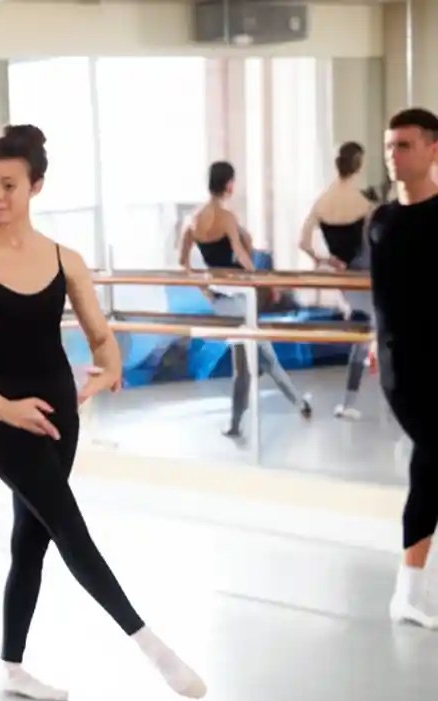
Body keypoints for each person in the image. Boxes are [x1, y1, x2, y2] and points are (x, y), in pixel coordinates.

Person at [0, 125, 206, 701]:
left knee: (29, 540)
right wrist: (6, 408)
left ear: (36, 187)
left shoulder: (65, 260)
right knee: (69, 527)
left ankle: (12, 666)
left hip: (61, 418)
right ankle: (151, 645)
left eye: (8, 184)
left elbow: (104, 340)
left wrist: (103, 374)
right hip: (3, 421)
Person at [366, 108, 438, 629]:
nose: (393, 155)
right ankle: (406, 591)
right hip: (403, 365)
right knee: (434, 454)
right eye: (390, 146)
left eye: (404, 145)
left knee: (429, 467)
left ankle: (408, 591)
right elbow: (381, 298)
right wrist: (375, 343)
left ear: (432, 149)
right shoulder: (381, 221)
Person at [179, 160, 311, 437]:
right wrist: (260, 280)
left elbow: (184, 263)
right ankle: (299, 404)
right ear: (229, 185)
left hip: (220, 298)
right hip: (238, 296)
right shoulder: (226, 218)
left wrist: (204, 286)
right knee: (264, 357)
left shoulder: (192, 220)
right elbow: (240, 255)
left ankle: (237, 424)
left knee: (246, 364)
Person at [297, 141, 376, 420]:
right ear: (359, 165)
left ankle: (349, 401)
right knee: (373, 335)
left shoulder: (322, 202)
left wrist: (326, 260)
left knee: (362, 337)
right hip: (366, 273)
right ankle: (353, 401)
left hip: (344, 276)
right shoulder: (364, 204)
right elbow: (373, 243)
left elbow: (303, 243)